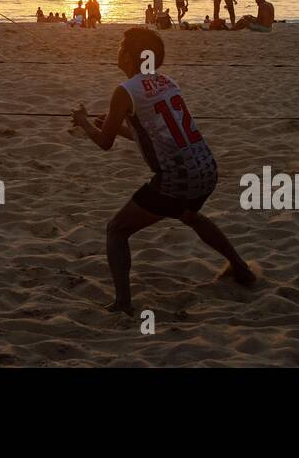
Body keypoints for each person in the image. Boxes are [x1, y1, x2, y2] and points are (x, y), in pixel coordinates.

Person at [71, 26, 255, 313]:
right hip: (206, 167)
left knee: (116, 230)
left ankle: (122, 303)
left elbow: (104, 145)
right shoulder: (168, 82)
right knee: (189, 215)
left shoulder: (125, 91)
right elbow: (149, 136)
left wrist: (82, 121)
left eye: (122, 48)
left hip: (177, 176)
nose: (118, 52)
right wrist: (114, 127)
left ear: (133, 57)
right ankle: (241, 268)